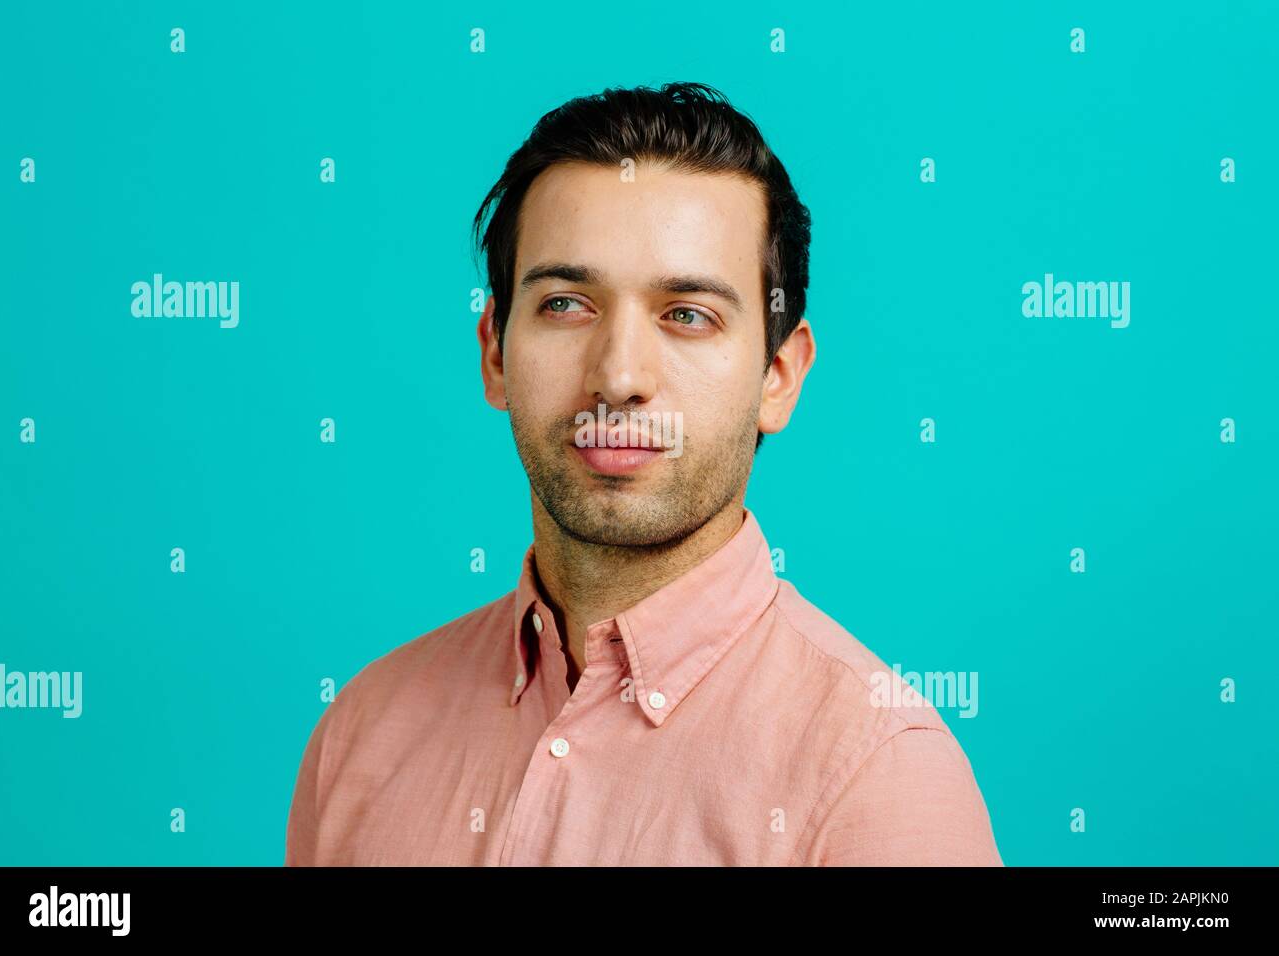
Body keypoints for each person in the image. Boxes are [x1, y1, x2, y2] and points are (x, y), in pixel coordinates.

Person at [285, 81, 1002, 866]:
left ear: (778, 376)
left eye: (687, 314)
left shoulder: (880, 779)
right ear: (493, 352)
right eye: (565, 304)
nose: (619, 375)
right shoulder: (361, 736)